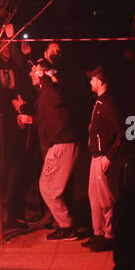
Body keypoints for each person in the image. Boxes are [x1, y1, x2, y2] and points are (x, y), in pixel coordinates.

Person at [27, 60, 84, 239]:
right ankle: (65, 224)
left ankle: (67, 226)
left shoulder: (52, 90)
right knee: (48, 187)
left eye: (33, 72)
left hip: (62, 143)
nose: (31, 75)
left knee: (49, 187)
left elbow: (56, 98)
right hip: (59, 143)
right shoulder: (45, 93)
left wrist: (43, 77)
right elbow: (46, 117)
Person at [84, 66, 123, 251]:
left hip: (102, 158)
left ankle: (109, 235)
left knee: (106, 199)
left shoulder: (108, 103)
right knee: (94, 198)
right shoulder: (99, 102)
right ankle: (98, 233)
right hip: (95, 156)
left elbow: (122, 132)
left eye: (92, 79)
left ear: (99, 82)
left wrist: (109, 156)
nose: (90, 82)